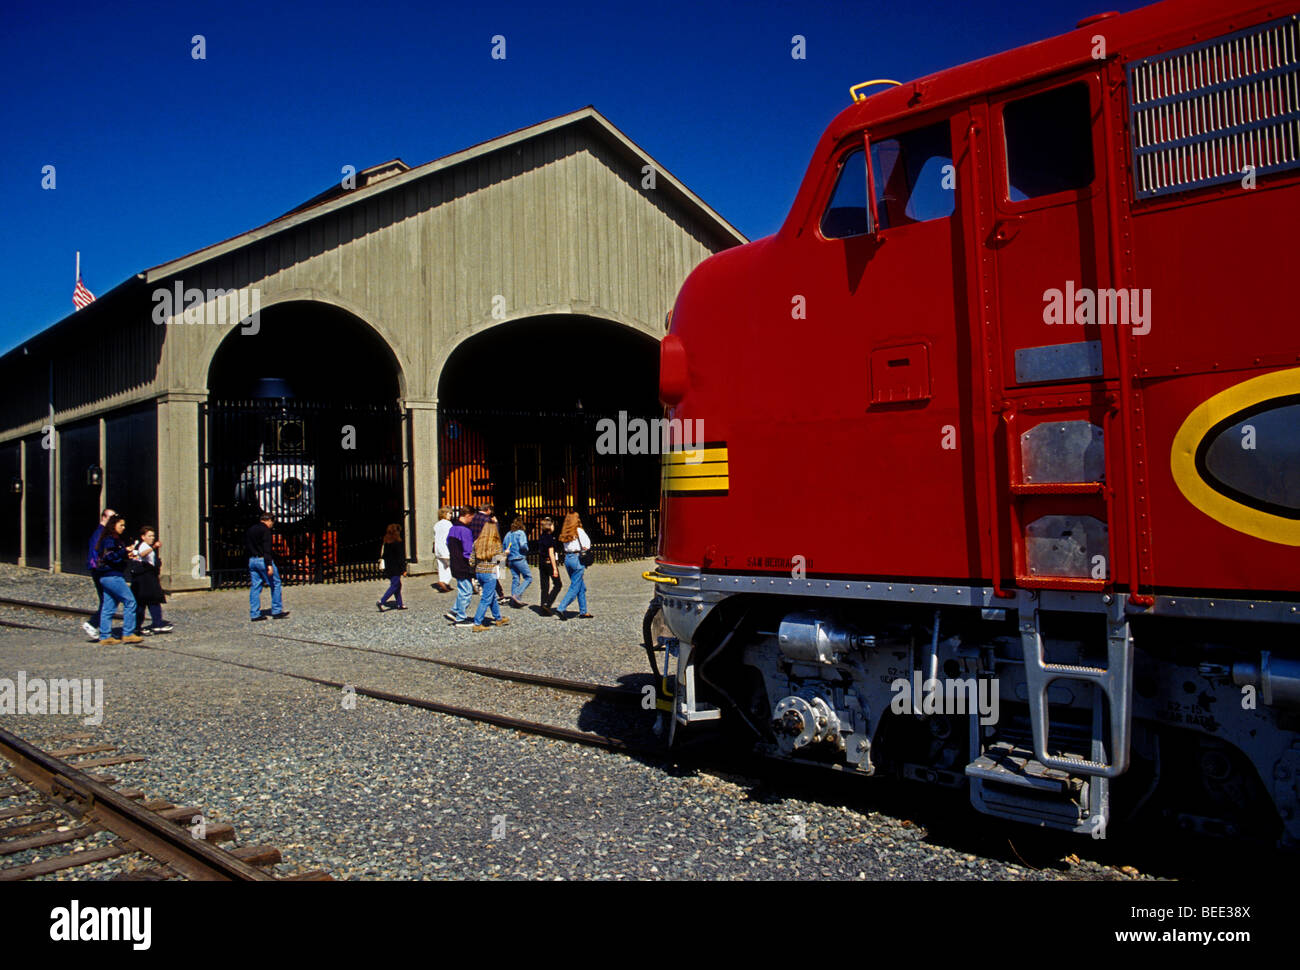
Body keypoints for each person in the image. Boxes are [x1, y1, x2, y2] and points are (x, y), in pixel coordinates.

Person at [94, 514, 141, 644]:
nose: (123, 528)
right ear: (113, 525)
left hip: (105, 576)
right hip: (113, 575)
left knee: (108, 606)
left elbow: (112, 556)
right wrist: (124, 551)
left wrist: (126, 555)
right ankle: (128, 633)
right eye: (121, 525)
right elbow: (110, 556)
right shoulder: (111, 540)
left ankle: (105, 636)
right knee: (130, 601)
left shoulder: (108, 539)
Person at [129, 525, 172, 635]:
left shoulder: (143, 545)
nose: (152, 537)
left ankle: (140, 625)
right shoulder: (143, 546)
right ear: (143, 537)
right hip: (146, 578)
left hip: (147, 577)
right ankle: (154, 623)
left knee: (144, 602)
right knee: (151, 600)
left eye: (153, 536)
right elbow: (142, 554)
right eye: (149, 536)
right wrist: (154, 547)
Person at [246, 513, 289, 621]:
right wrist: (269, 564)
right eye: (272, 522)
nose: (272, 525)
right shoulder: (265, 531)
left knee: (255, 586)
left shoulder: (251, 529)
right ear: (269, 520)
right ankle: (276, 610)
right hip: (263, 560)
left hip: (252, 559)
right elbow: (267, 548)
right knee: (275, 583)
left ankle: (254, 613)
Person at [470, 522, 511, 632]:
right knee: (486, 599)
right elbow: (499, 560)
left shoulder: (476, 542)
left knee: (491, 595)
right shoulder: (496, 544)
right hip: (490, 572)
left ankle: (498, 618)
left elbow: (471, 561)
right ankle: (477, 623)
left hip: (479, 572)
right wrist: (505, 554)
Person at [553, 512, 594, 621]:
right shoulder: (579, 531)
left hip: (568, 559)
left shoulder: (565, 533)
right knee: (575, 586)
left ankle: (583, 611)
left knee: (580, 586)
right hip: (577, 558)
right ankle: (561, 608)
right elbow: (587, 544)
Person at [83, 508, 115, 641]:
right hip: (99, 569)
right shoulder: (101, 533)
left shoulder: (102, 533)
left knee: (107, 598)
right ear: (103, 518)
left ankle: (102, 626)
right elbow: (97, 552)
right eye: (111, 518)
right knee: (107, 598)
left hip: (97, 568)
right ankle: (93, 623)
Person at [443, 508, 477, 627]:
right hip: (463, 564)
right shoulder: (465, 531)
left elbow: (447, 543)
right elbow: (468, 551)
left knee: (462, 589)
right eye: (472, 517)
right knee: (467, 591)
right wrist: (473, 564)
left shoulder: (452, 528)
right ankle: (461, 618)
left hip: (455, 563)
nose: (472, 520)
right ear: (467, 515)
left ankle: (455, 610)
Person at [534, 516, 563, 615]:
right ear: (550, 527)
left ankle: (543, 606)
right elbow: (551, 553)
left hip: (542, 562)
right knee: (558, 584)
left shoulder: (541, 536)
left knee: (544, 586)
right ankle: (548, 603)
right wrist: (555, 568)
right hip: (549, 562)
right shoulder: (550, 538)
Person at [502, 516, 532, 607]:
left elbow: (504, 546)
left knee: (515, 578)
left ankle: (513, 600)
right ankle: (517, 594)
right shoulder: (521, 533)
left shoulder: (508, 534)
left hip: (511, 559)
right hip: (519, 558)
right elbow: (523, 545)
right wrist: (527, 549)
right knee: (528, 578)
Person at [378, 523, 408, 610]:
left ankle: (400, 604)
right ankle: (382, 601)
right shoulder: (398, 543)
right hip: (396, 568)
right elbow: (400, 557)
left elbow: (384, 555)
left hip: (389, 567)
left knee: (397, 585)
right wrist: (403, 569)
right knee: (395, 585)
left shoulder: (387, 542)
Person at [432, 507, 453, 592]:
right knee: (450, 566)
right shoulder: (448, 524)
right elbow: (449, 537)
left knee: (441, 566)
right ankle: (445, 581)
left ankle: (442, 581)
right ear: (445, 514)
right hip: (445, 547)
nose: (451, 515)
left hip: (438, 548)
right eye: (449, 513)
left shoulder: (436, 524)